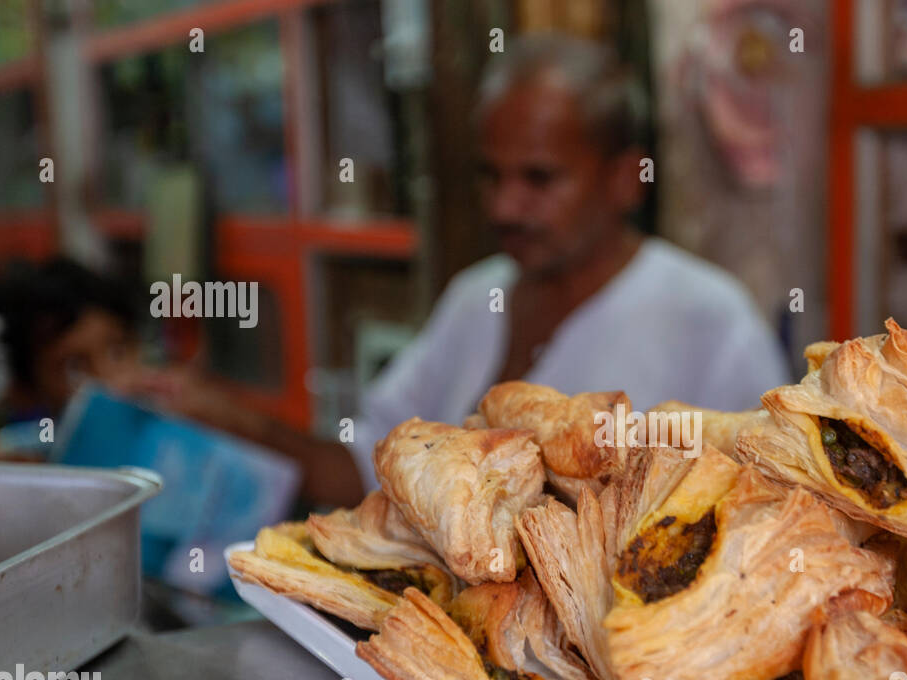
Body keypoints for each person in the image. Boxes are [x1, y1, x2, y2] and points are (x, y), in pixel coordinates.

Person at [130, 32, 789, 505]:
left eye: (539, 178)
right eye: (489, 176)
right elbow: (366, 473)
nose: (505, 206)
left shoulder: (708, 320)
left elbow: (769, 518)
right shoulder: (478, 298)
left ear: (625, 179)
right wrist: (223, 417)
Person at [0, 257, 142, 430]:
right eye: (74, 367)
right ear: (25, 392)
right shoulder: (25, 448)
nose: (107, 381)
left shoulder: (168, 426)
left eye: (117, 353)